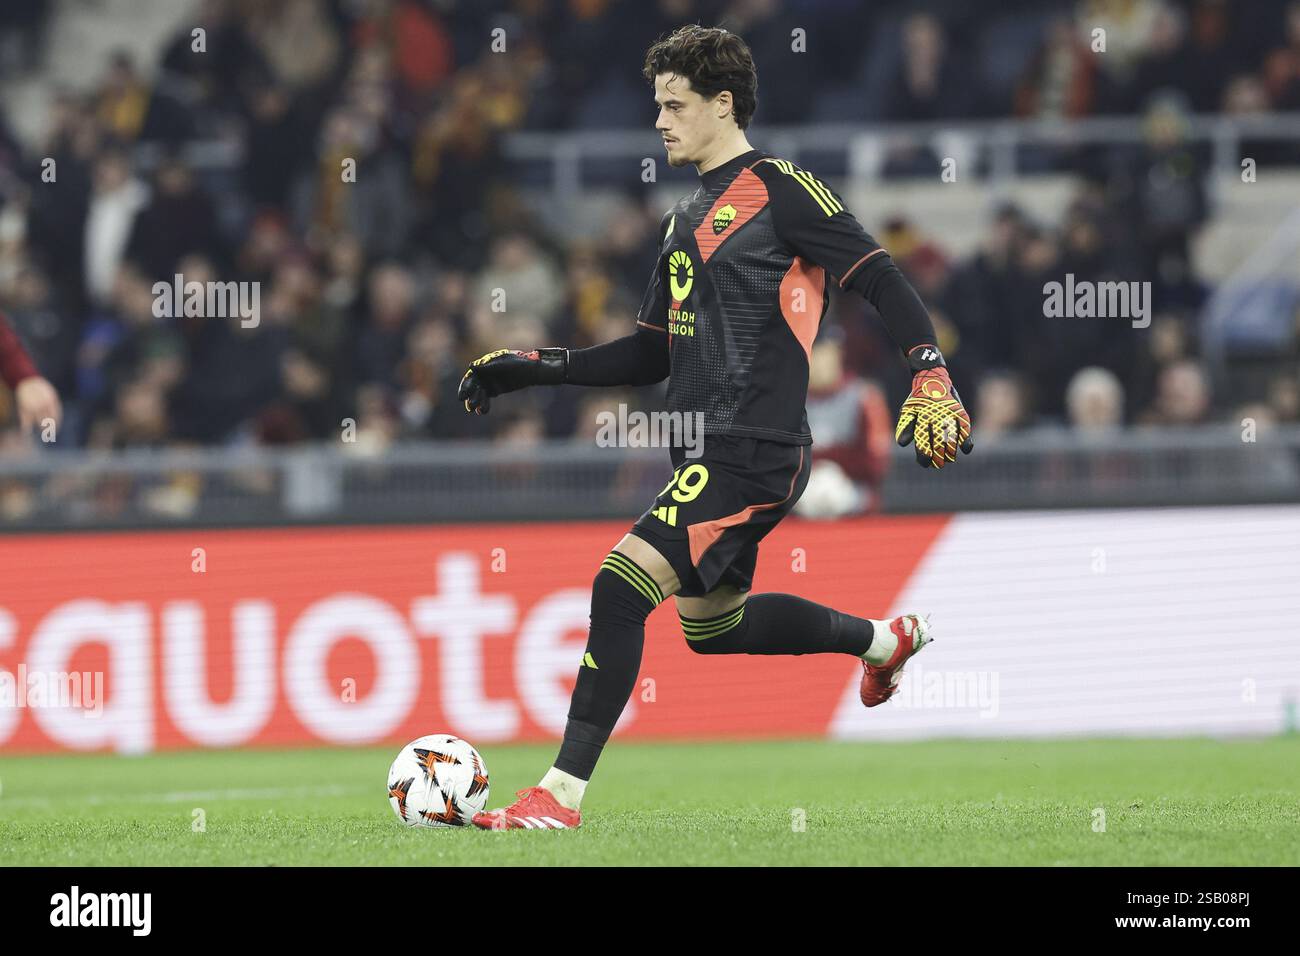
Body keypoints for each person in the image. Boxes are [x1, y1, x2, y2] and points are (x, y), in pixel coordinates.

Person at [456, 26, 973, 830]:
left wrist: (929, 368)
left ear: (722, 104)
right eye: (656, 104)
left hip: (753, 446)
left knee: (618, 584)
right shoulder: (682, 220)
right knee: (713, 628)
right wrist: (537, 366)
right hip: (705, 449)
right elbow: (650, 353)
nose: (659, 121)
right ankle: (883, 641)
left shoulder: (783, 187)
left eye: (675, 104)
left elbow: (880, 275)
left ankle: (559, 798)